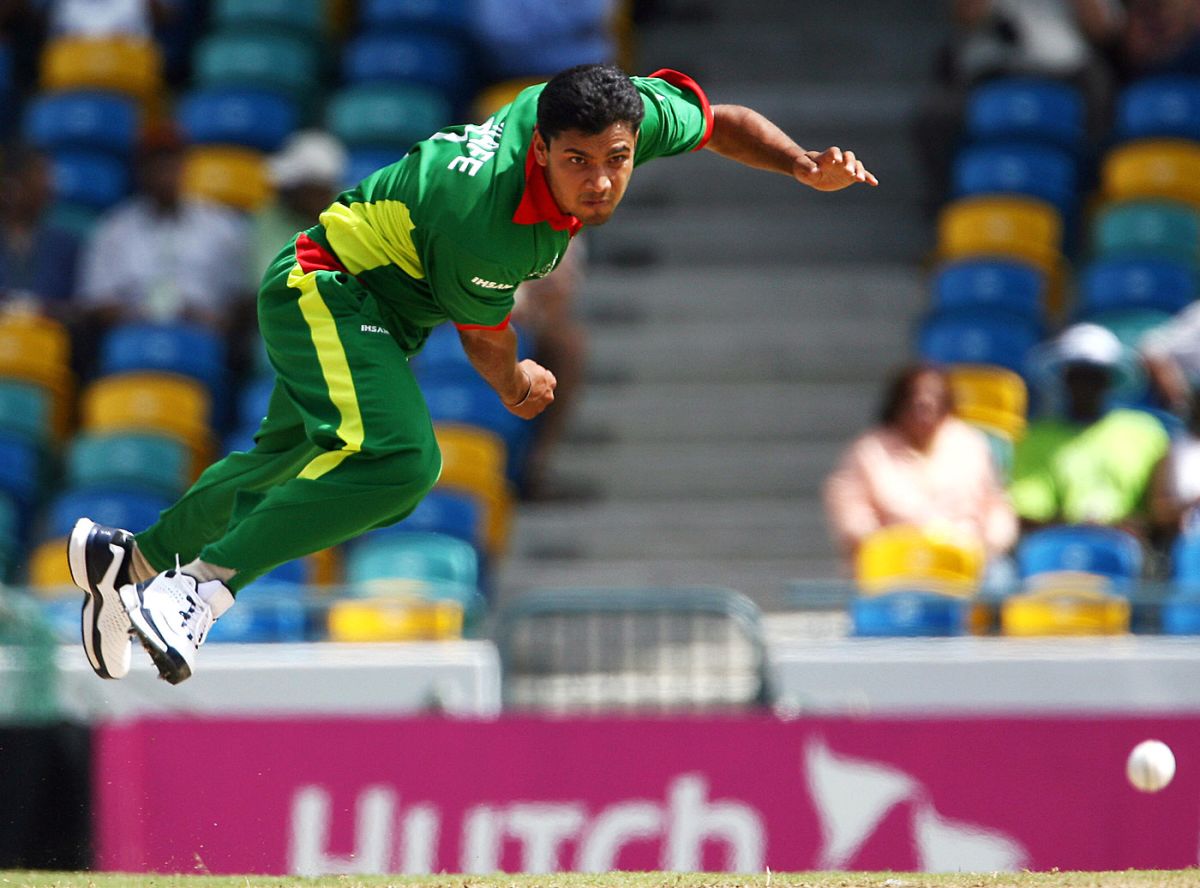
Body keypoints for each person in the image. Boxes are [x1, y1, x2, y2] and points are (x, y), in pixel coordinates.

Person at [67, 63, 877, 684]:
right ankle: (195, 592)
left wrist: (802, 164)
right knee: (400, 464)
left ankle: (129, 561)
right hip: (326, 286)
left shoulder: (605, 112)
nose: (600, 181)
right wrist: (516, 382)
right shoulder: (495, 225)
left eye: (617, 161)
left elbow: (722, 122)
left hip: (380, 309)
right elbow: (485, 341)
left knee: (287, 461)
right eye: (578, 162)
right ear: (540, 148)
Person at [823, 364, 1018, 567]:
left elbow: (997, 506)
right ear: (898, 405)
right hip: (895, 563)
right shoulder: (869, 451)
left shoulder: (972, 445)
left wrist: (987, 545)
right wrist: (878, 545)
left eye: (934, 400)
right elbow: (850, 508)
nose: (925, 407)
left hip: (967, 562)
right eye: (916, 402)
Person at [76, 123, 249, 334]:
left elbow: (240, 299)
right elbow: (95, 302)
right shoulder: (114, 229)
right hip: (133, 335)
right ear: (141, 170)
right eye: (156, 165)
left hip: (204, 338)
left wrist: (210, 319)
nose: (165, 173)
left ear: (184, 166)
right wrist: (137, 315)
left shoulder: (220, 226)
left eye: (171, 163)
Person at [1010, 322, 1169, 533]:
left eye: (1095, 375)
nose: (1086, 384)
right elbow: (1028, 515)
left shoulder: (1146, 433)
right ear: (1064, 379)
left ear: (1109, 380)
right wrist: (1082, 530)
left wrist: (1131, 528)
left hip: (1134, 551)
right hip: (1060, 551)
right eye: (1078, 375)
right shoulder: (1037, 438)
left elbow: (1163, 512)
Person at [251, 131, 348, 286]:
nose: (285, 191)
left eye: (295, 186)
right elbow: (272, 282)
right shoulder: (273, 213)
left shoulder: (351, 212)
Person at [0, 147, 81, 316]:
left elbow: (79, 307)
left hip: (47, 335)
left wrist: (42, 309)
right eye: (38, 177)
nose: (48, 187)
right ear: (11, 184)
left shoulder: (65, 244)